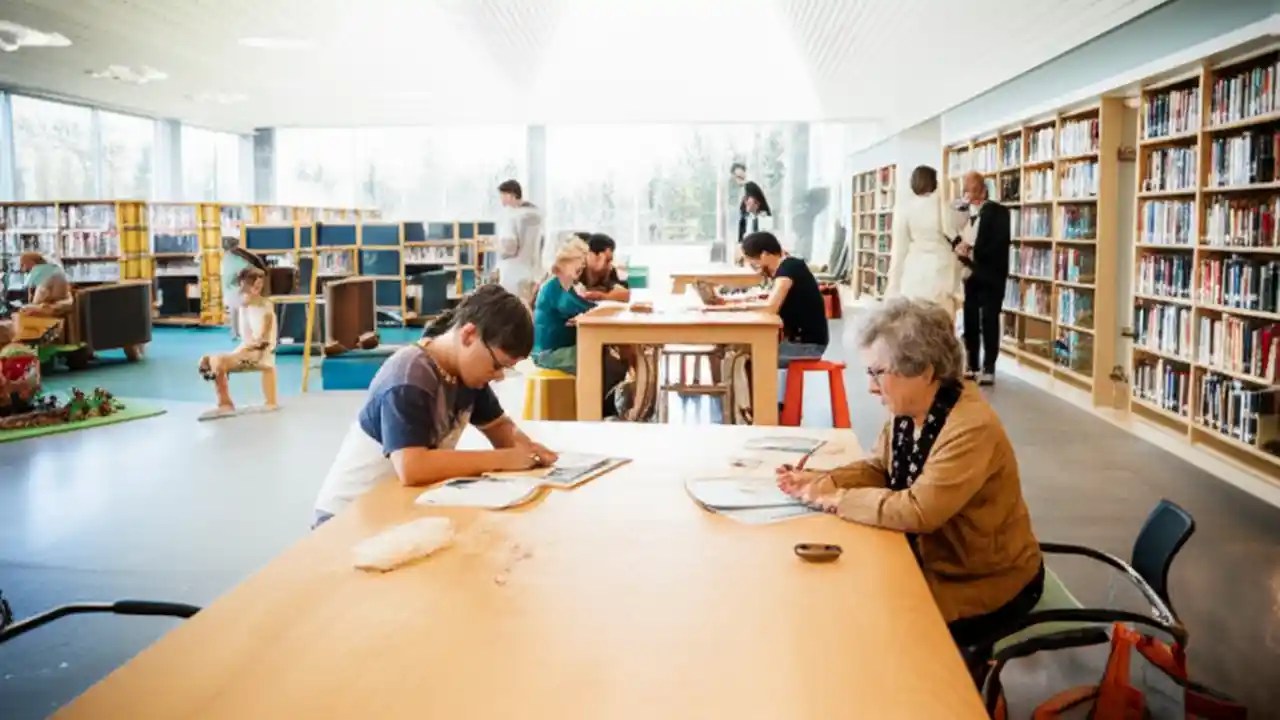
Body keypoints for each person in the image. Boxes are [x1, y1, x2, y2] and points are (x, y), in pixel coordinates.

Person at [776, 297, 1043, 673]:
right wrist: (823, 480)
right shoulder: (911, 410)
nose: (870, 387)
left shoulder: (970, 427)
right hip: (938, 560)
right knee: (849, 604)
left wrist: (836, 498)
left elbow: (919, 511)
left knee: (879, 625)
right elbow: (880, 468)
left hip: (984, 580)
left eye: (876, 373)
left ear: (924, 370)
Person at [313, 284, 557, 527]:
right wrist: (503, 459)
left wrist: (529, 449)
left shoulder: (469, 375)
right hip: (346, 517)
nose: (499, 376)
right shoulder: (410, 377)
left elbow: (500, 427)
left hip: (396, 508)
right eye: (497, 365)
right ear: (469, 335)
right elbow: (413, 467)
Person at [531, 238, 629, 416]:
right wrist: (602, 305)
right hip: (549, 353)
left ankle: (602, 406)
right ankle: (597, 410)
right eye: (578, 265)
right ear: (564, 263)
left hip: (563, 348)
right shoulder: (554, 287)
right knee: (608, 364)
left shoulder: (566, 285)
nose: (581, 269)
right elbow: (577, 307)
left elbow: (581, 305)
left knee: (610, 358)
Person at [710, 231, 828, 366]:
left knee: (745, 360)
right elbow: (766, 297)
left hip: (807, 346)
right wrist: (732, 302)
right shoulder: (788, 266)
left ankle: (756, 387)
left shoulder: (788, 270)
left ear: (765, 255)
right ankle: (731, 387)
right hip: (800, 342)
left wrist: (734, 307)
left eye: (753, 261)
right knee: (735, 352)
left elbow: (770, 307)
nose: (754, 266)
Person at [953, 170, 1011, 385]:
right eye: (967, 190)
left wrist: (972, 251)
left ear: (984, 190)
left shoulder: (999, 212)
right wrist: (960, 247)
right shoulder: (962, 212)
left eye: (975, 189)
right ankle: (972, 363)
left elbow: (999, 244)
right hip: (970, 274)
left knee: (989, 320)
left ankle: (989, 366)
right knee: (969, 319)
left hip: (991, 275)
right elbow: (953, 234)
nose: (971, 194)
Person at [197, 267, 278, 415]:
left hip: (260, 353)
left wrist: (233, 357)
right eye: (254, 286)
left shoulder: (265, 306)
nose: (257, 289)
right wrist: (234, 355)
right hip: (248, 350)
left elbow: (263, 340)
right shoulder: (244, 307)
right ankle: (224, 400)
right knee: (208, 360)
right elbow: (246, 340)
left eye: (259, 286)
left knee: (219, 361)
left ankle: (226, 404)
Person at [886, 166, 961, 316]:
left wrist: (892, 288)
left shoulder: (905, 208)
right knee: (941, 325)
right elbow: (958, 235)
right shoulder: (945, 205)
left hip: (915, 274)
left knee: (916, 326)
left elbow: (899, 251)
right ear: (935, 182)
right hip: (942, 273)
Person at [495, 179, 543, 305]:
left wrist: (496, 247)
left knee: (512, 310)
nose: (502, 201)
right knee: (528, 308)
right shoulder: (537, 216)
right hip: (533, 271)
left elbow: (509, 246)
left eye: (502, 196)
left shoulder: (512, 216)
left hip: (513, 272)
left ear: (511, 195)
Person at [219, 237, 268, 340]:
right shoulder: (236, 258)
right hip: (236, 292)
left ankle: (235, 332)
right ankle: (246, 333)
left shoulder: (226, 258)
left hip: (229, 291)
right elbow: (255, 270)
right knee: (246, 308)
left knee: (236, 311)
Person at [580, 233, 630, 302]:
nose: (609, 266)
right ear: (590, 255)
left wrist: (603, 296)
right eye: (606, 260)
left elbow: (625, 294)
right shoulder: (577, 271)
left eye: (610, 260)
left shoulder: (610, 271)